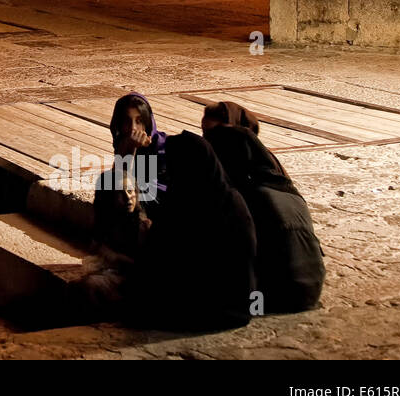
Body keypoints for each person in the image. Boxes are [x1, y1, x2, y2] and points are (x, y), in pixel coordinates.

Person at [203, 104, 325, 314]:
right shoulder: (276, 176)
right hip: (311, 288)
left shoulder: (246, 192)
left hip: (276, 297)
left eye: (212, 136)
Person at [130, 130, 257, 331]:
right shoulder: (233, 199)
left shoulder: (184, 206)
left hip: (200, 313)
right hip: (240, 308)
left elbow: (153, 262)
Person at [91, 93, 167, 262]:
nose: (133, 128)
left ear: (148, 122)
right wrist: (128, 151)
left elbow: (150, 192)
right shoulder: (123, 142)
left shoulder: (162, 147)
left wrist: (130, 151)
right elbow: (119, 184)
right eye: (127, 121)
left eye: (139, 121)